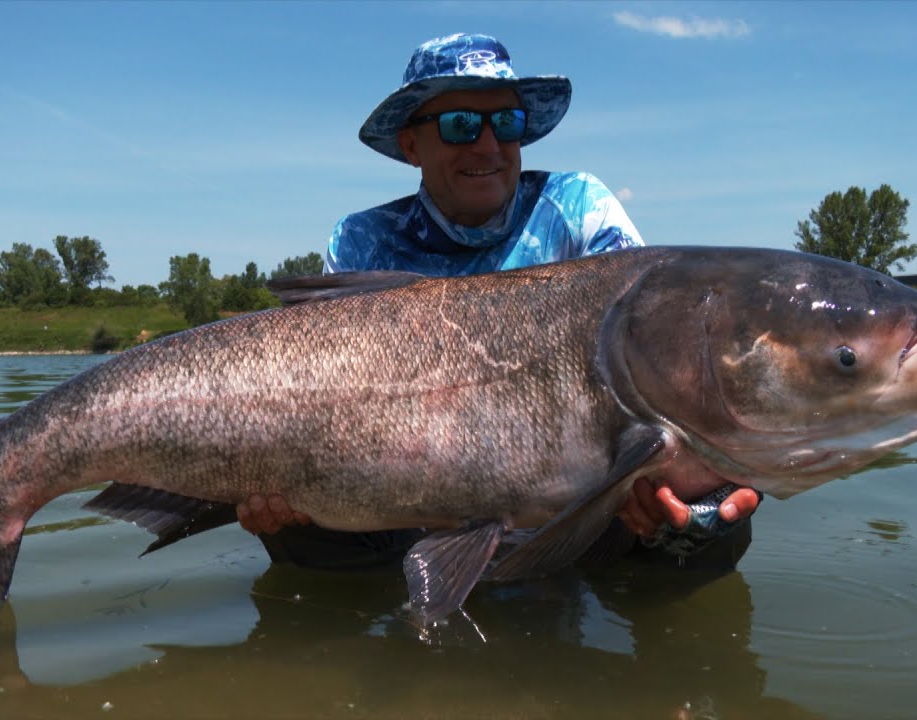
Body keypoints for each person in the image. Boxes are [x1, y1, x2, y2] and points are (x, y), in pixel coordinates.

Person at [239, 33, 760, 572]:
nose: (487, 145)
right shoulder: (360, 240)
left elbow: (651, 354)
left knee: (711, 510)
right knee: (297, 527)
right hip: (402, 506)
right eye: (459, 124)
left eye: (506, 123)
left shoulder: (577, 207)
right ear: (412, 145)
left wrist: (699, 493)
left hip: (571, 511)